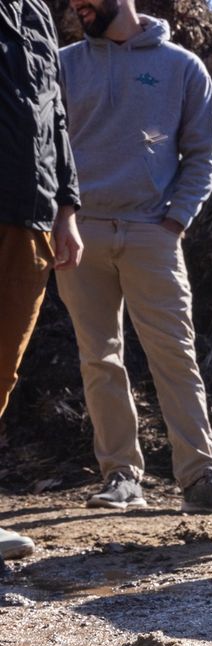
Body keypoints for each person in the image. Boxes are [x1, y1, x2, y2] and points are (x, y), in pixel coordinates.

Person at [57, 0, 212, 513]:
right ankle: (122, 478)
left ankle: (201, 478)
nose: (78, 5)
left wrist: (175, 220)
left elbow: (203, 152)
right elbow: (48, 148)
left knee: (175, 355)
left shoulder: (181, 67)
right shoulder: (63, 63)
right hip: (81, 232)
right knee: (99, 358)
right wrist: (63, 215)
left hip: (152, 233)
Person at [1, 0, 83, 559]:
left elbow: (55, 117)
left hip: (30, 215)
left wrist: (68, 209)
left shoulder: (39, 14)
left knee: (1, 367)